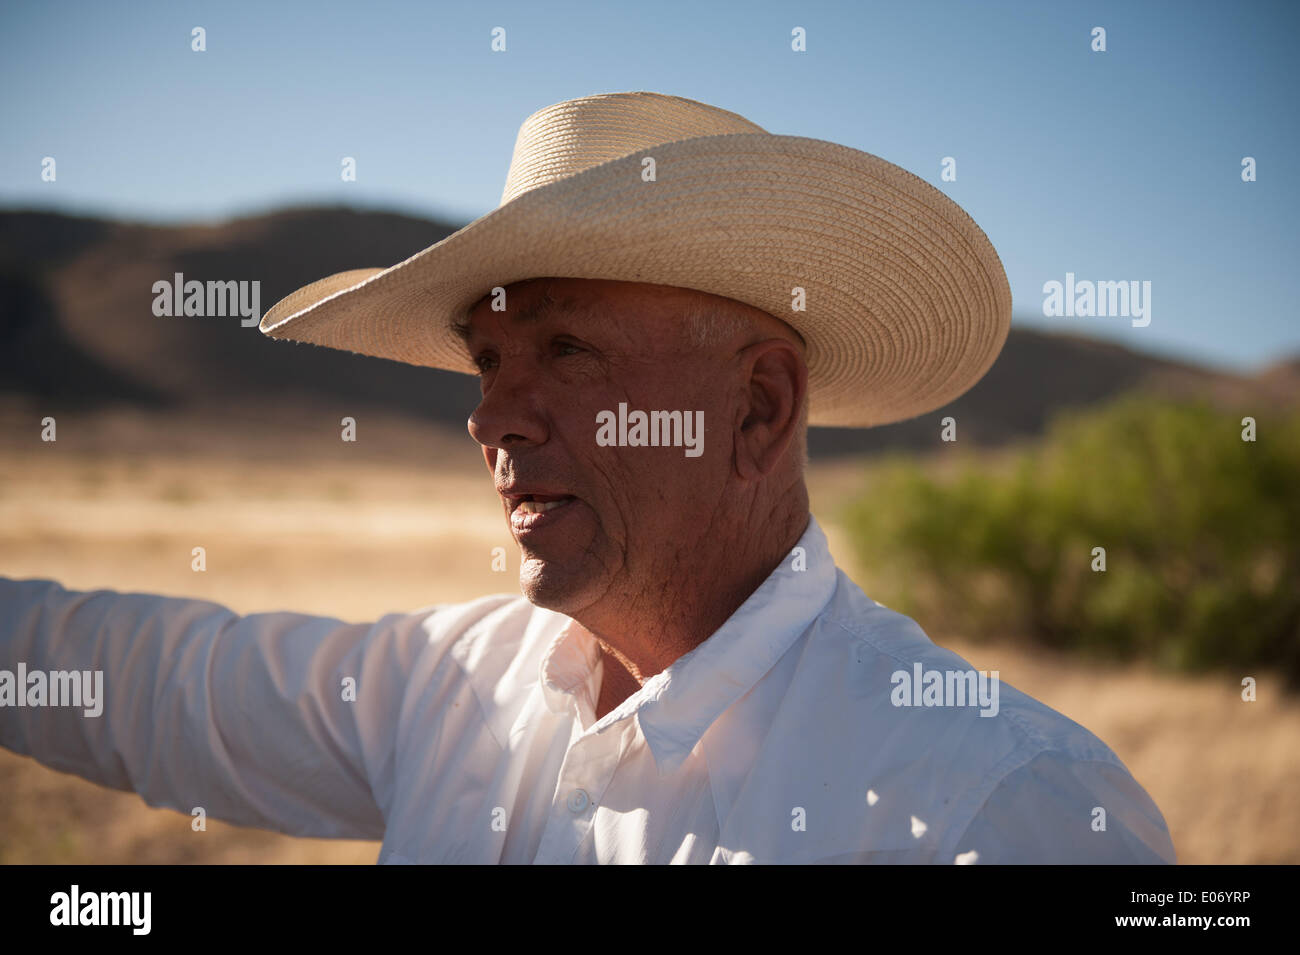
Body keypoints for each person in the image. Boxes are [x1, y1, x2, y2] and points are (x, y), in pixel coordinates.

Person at [0, 92, 1175, 863]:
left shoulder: (1009, 810)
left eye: (567, 351)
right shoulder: (452, 686)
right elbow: (155, 686)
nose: (490, 417)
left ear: (758, 408)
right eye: (491, 360)